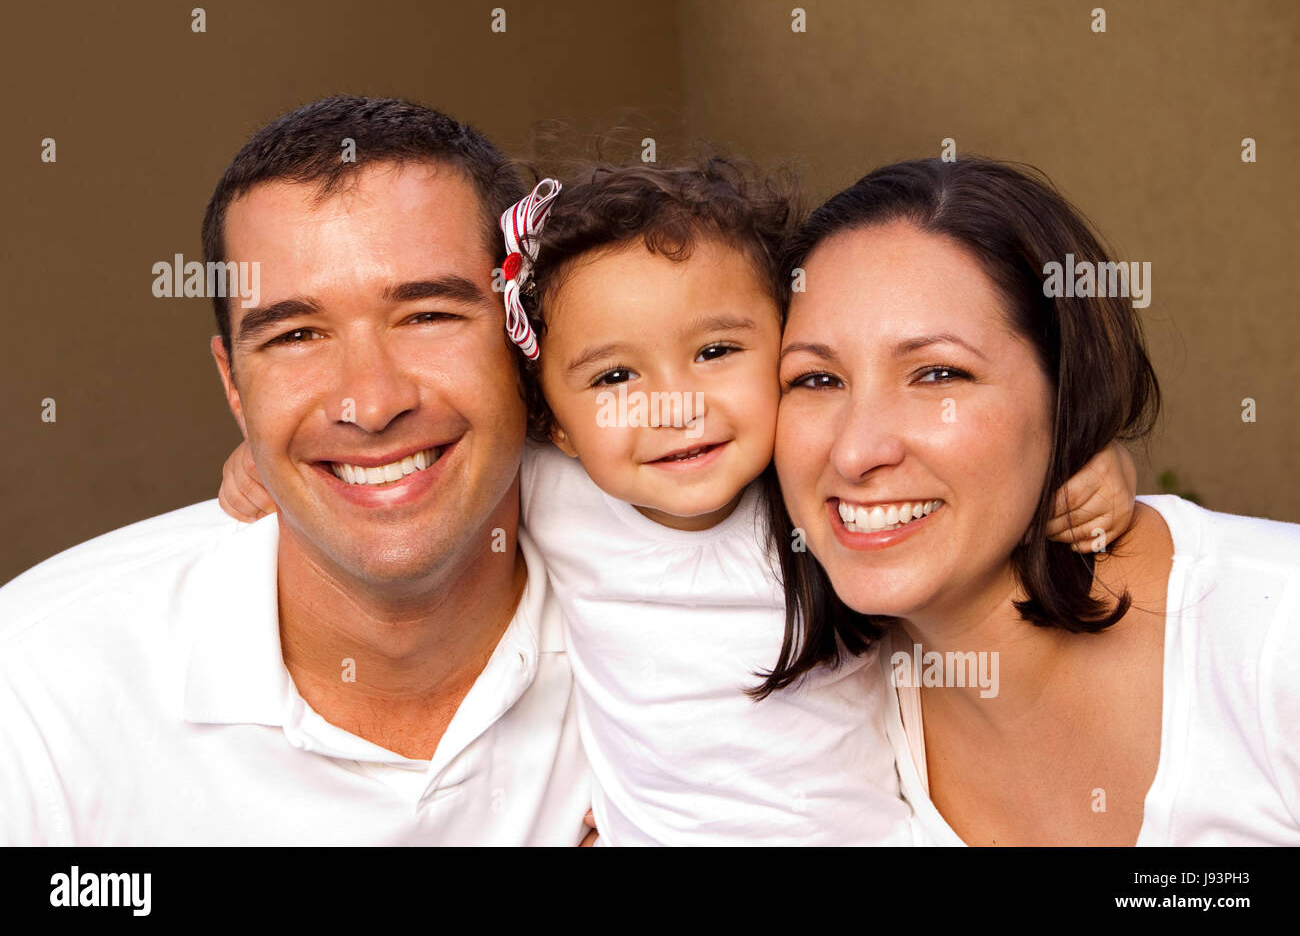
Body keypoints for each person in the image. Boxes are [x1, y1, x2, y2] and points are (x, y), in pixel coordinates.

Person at [218, 157, 1140, 845]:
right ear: (558, 423)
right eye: (615, 374)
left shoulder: (825, 491)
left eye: (715, 353)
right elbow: (421, 454)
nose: (674, 404)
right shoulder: (553, 487)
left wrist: (1086, 470)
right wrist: (263, 462)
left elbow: (968, 495)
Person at [0, 96, 592, 845]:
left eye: (428, 315)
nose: (371, 405)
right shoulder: (32, 695)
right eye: (296, 335)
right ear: (234, 387)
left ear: (526, 338)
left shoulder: (715, 622)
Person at [765, 156, 1300, 845]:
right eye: (815, 379)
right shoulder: (815, 725)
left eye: (937, 373)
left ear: (1065, 389)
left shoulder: (1276, 632)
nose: (855, 451)